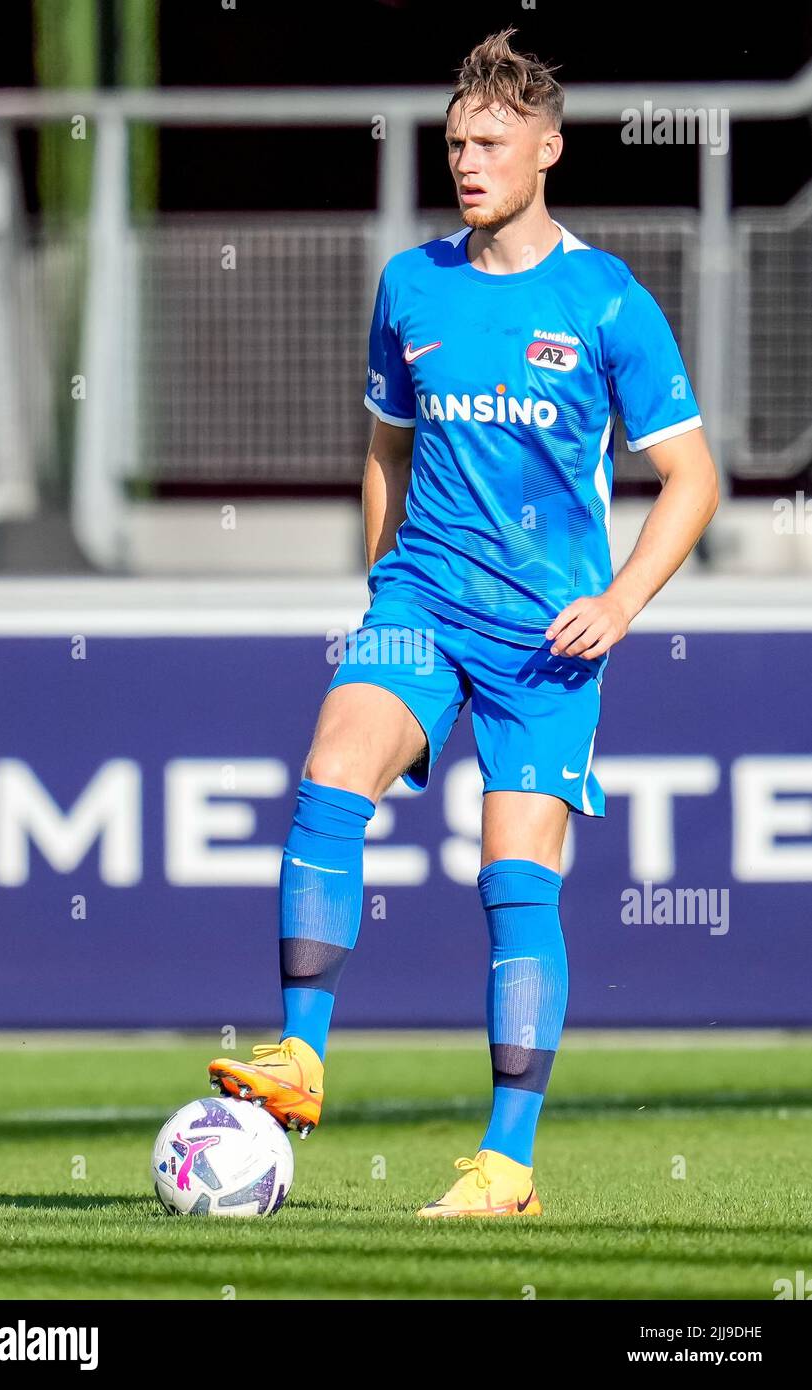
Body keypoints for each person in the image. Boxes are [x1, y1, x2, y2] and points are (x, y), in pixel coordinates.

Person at [209, 27, 718, 1218]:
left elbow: (691, 477)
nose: (467, 160)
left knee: (513, 880)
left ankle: (504, 1163)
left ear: (547, 149)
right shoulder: (412, 285)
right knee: (333, 763)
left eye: (490, 141)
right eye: (454, 143)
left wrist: (622, 601)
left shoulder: (606, 301)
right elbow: (386, 445)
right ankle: (299, 1053)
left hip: (550, 636)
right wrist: (382, 576)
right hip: (422, 602)